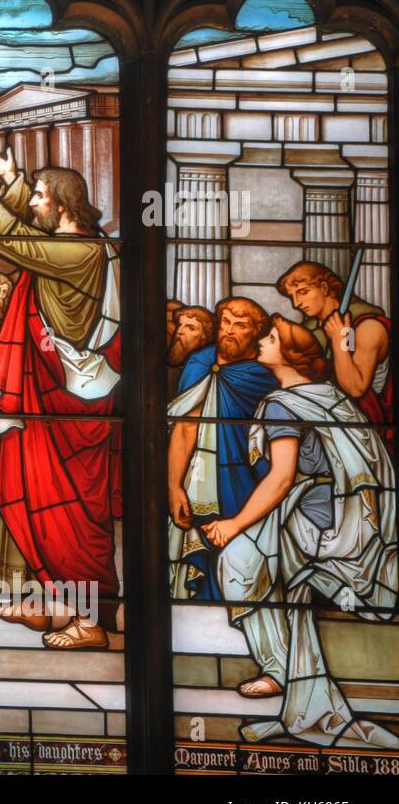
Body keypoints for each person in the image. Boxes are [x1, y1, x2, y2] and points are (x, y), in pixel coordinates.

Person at [0, 138, 121, 649]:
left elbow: (13, 240)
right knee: (40, 499)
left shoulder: (77, 251)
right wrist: (10, 182)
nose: (32, 202)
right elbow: (28, 230)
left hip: (67, 408)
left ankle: (92, 620)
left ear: (60, 203)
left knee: (71, 507)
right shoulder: (71, 244)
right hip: (45, 402)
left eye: (38, 194)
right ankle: (60, 601)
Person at [203, 315, 396, 748]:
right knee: (254, 565)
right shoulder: (327, 396)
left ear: (289, 354)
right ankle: (294, 689)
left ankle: (282, 671)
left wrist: (233, 523)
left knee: (239, 559)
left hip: (316, 525)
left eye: (269, 338)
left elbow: (281, 479)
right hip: (352, 521)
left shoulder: (281, 404)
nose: (261, 341)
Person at [167, 298, 277, 599]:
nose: (229, 331)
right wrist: (174, 485)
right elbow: (185, 427)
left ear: (257, 330)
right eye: (225, 322)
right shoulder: (200, 362)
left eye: (239, 325)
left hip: (249, 479)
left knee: (244, 558)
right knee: (202, 557)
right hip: (199, 479)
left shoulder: (266, 373)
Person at [277, 261, 391, 440]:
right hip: (317, 423)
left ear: (324, 287)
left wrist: (339, 341)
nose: (296, 303)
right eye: (292, 296)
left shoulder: (368, 326)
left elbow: (356, 388)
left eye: (303, 292)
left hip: (361, 430)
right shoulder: (308, 330)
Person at [166, 304, 214, 396]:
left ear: (205, 336)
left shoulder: (208, 369)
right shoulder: (165, 368)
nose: (179, 331)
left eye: (190, 328)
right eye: (180, 325)